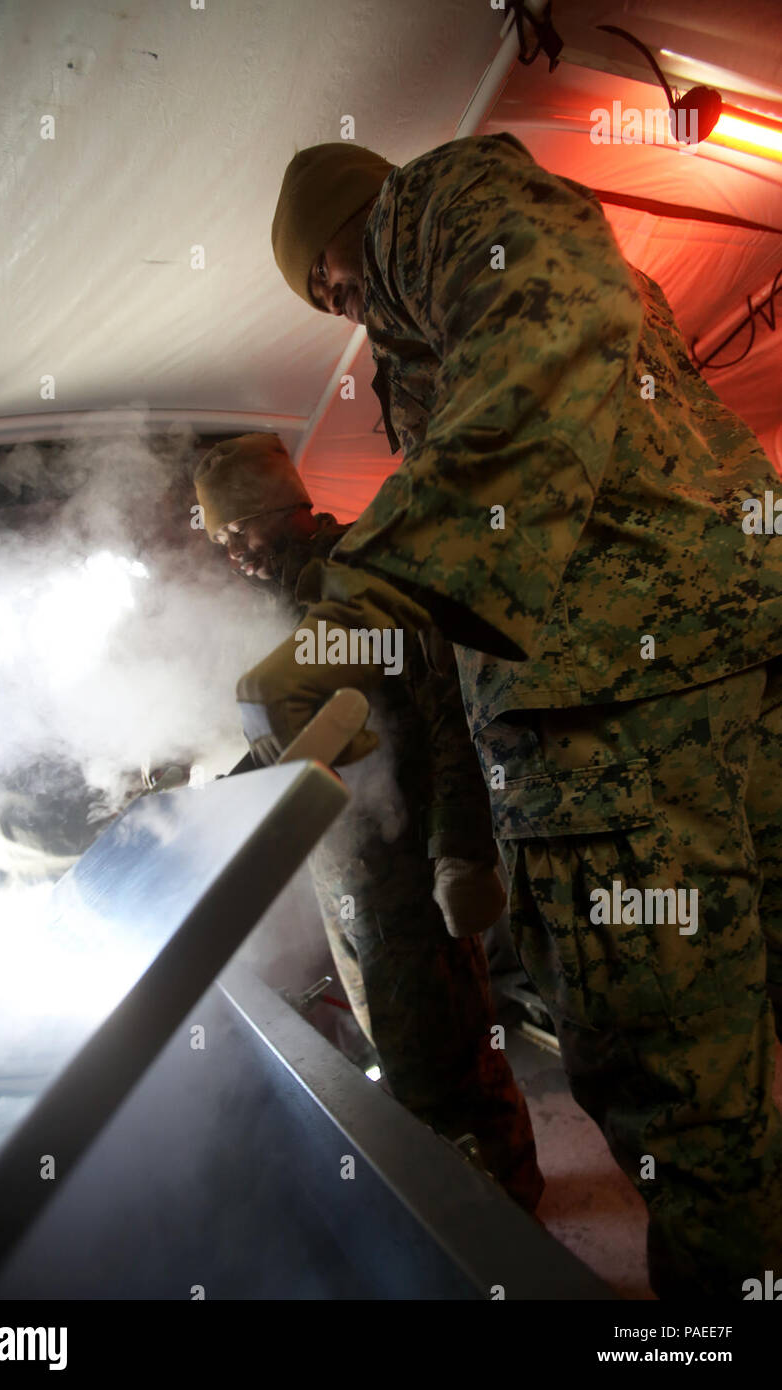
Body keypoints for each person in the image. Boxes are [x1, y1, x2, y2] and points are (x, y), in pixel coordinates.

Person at [237, 133, 782, 1298]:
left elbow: (546, 333)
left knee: (680, 1106)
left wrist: (358, 604)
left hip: (609, 724)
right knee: (724, 1076)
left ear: (352, 223)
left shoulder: (435, 204)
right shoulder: (471, 282)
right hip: (710, 677)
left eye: (324, 277)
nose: (336, 302)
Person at [192, 431, 543, 1211]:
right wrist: (218, 800)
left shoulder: (362, 573)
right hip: (347, 862)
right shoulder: (286, 599)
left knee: (449, 1054)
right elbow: (288, 731)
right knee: (399, 1037)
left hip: (407, 861)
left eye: (233, 534)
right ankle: (491, 1195)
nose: (230, 555)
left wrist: (459, 848)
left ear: (269, 515)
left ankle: (506, 1217)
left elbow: (448, 711)